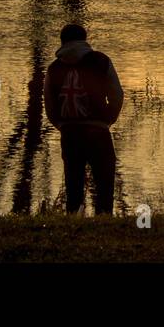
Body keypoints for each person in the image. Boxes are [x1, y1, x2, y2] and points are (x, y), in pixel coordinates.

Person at [43, 23, 124, 214]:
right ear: (84, 39)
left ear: (62, 41)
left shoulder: (54, 68)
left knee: (73, 185)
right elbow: (117, 94)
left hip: (70, 132)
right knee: (104, 184)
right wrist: (107, 120)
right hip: (98, 131)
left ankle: (74, 222)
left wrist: (62, 125)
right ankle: (104, 220)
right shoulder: (101, 61)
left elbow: (50, 105)